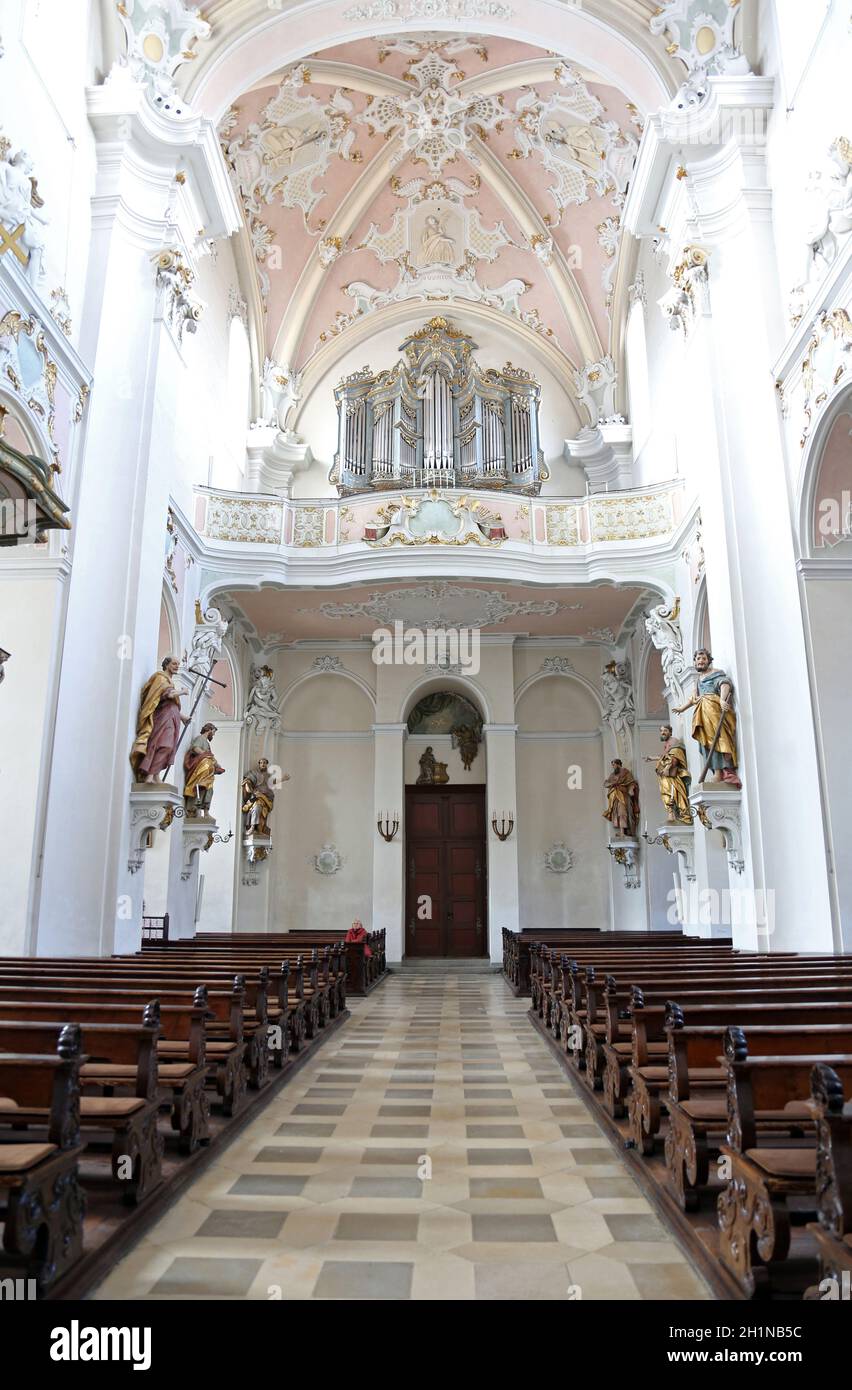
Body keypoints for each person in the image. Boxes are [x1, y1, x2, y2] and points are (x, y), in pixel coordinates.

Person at [674, 648, 741, 787]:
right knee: (707, 744)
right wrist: (682, 708)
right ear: (695, 662)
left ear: (708, 660)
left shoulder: (716, 673)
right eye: (698, 659)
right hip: (701, 714)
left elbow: (724, 684)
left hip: (713, 710)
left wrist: (722, 700)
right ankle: (716, 772)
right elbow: (693, 698)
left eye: (703, 659)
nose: (701, 661)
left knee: (718, 739)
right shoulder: (699, 679)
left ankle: (724, 772)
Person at [130, 656, 189, 782]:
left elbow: (172, 705)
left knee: (168, 747)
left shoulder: (169, 681)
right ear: (166, 665)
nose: (177, 666)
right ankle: (149, 775)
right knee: (162, 745)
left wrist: (182, 717)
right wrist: (182, 692)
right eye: (174, 663)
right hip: (163, 718)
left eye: (178, 664)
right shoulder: (161, 678)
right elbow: (168, 694)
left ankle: (155, 775)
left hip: (171, 717)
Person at [645, 723, 692, 824]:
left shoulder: (674, 742)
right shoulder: (667, 744)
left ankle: (684, 815)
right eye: (661, 731)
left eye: (665, 731)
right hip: (664, 775)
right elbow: (664, 756)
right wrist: (652, 758)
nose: (663, 733)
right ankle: (672, 814)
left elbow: (675, 755)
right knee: (666, 794)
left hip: (671, 775)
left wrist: (667, 767)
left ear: (670, 732)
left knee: (674, 793)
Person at [183, 723, 225, 815]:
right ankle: (193, 808)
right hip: (201, 770)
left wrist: (218, 765)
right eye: (213, 732)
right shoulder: (200, 739)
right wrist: (206, 755)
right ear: (209, 730)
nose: (213, 734)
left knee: (209, 789)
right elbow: (195, 748)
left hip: (208, 772)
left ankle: (206, 811)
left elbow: (211, 757)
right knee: (200, 786)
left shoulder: (206, 743)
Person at [603, 759, 640, 836]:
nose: (613, 767)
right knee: (616, 813)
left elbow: (631, 782)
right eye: (612, 765)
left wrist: (631, 789)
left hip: (623, 795)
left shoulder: (625, 772)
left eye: (614, 765)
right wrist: (611, 783)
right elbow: (606, 783)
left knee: (623, 812)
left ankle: (625, 831)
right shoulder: (612, 775)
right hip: (615, 797)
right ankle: (621, 831)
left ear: (618, 764)